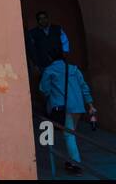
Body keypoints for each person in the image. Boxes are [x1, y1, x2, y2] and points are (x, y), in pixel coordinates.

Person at [39, 44, 95, 175]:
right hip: (78, 106)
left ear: (50, 57)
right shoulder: (74, 69)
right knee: (71, 133)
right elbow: (84, 86)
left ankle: (75, 163)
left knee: (69, 135)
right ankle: (71, 160)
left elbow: (44, 89)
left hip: (63, 107)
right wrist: (90, 104)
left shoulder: (49, 71)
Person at [25, 11, 70, 78]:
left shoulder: (57, 28)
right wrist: (36, 64)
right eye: (40, 19)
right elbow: (31, 49)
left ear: (47, 18)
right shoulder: (33, 33)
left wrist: (65, 52)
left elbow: (65, 40)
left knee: (60, 80)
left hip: (58, 61)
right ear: (37, 21)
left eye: (44, 18)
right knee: (47, 82)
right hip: (43, 63)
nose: (43, 20)